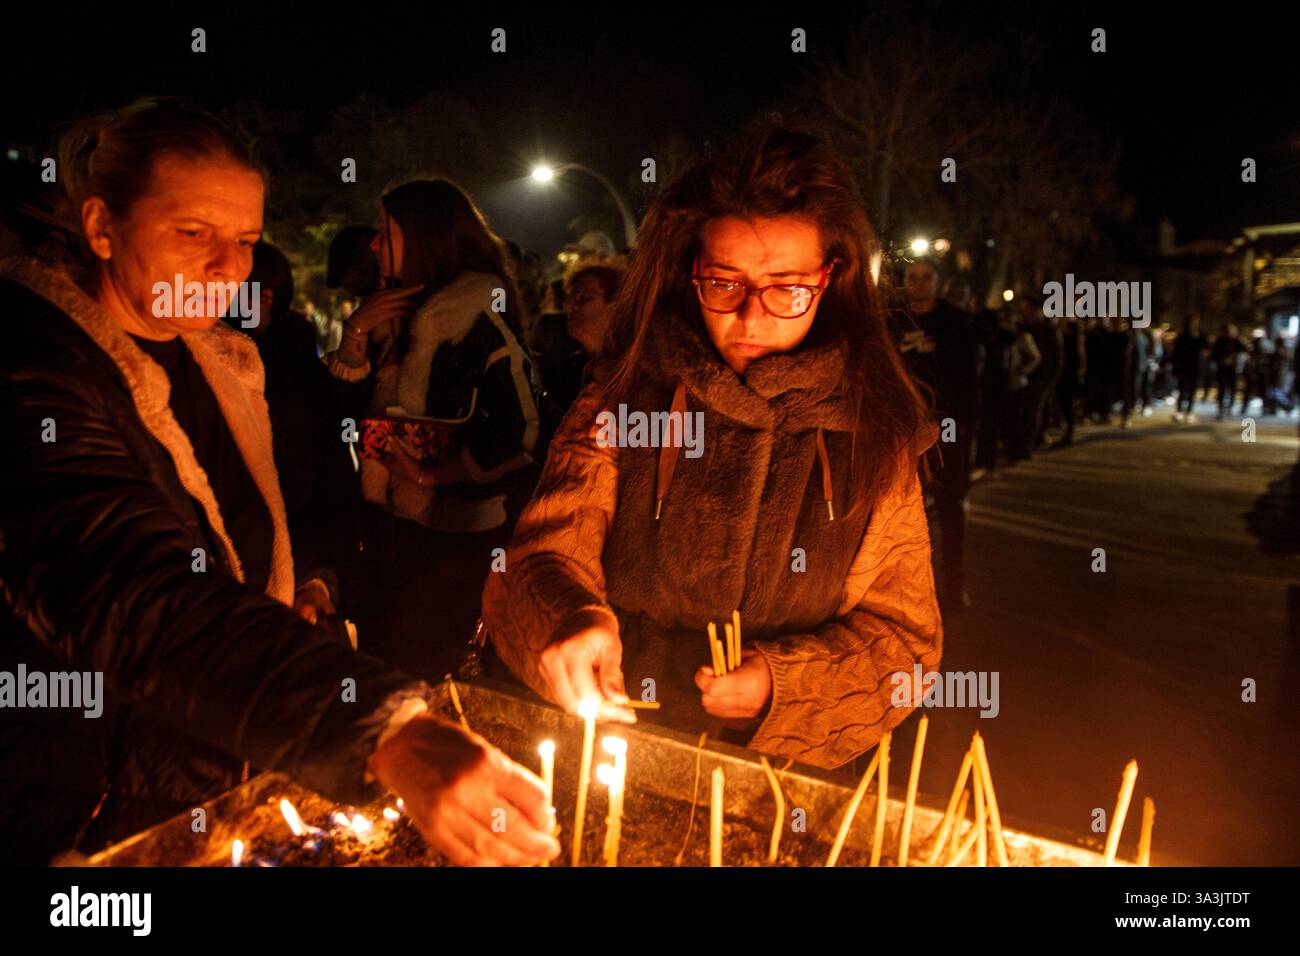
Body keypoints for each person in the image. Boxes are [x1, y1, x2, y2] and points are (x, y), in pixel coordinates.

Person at [0, 100, 558, 866]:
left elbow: (282, 511)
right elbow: (127, 586)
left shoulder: (224, 364)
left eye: (245, 242)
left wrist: (309, 583)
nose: (229, 269)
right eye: (193, 234)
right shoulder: (32, 369)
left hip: (201, 773)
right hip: (70, 802)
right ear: (101, 227)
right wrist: (382, 730)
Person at [481, 123, 942, 769]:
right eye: (724, 283)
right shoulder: (624, 399)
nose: (750, 318)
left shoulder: (873, 433)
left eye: (786, 288)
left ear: (830, 278)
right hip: (613, 745)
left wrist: (787, 683)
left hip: (776, 777)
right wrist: (568, 618)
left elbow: (904, 640)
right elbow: (543, 554)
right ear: (689, 270)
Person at [323, 178, 544, 682]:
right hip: (385, 536)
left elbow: (522, 428)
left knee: (428, 677)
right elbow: (343, 418)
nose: (374, 245)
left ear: (424, 236)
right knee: (380, 672)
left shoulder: (477, 315)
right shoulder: (391, 313)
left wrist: (435, 475)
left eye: (385, 231)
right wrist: (356, 335)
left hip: (454, 547)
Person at [896, 258, 983, 612]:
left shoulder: (955, 323)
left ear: (936, 281)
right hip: (901, 428)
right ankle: (904, 589)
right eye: (912, 277)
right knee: (901, 510)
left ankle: (952, 585)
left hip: (946, 428)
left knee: (950, 508)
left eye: (926, 277)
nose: (918, 283)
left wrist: (962, 423)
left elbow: (969, 377)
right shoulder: (892, 321)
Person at [1171, 317, 1208, 422]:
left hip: (1196, 367)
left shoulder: (1201, 336)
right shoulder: (1182, 336)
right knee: (1182, 390)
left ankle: (1189, 411)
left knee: (1193, 390)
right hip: (1183, 367)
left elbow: (1205, 351)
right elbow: (1176, 353)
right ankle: (1179, 411)